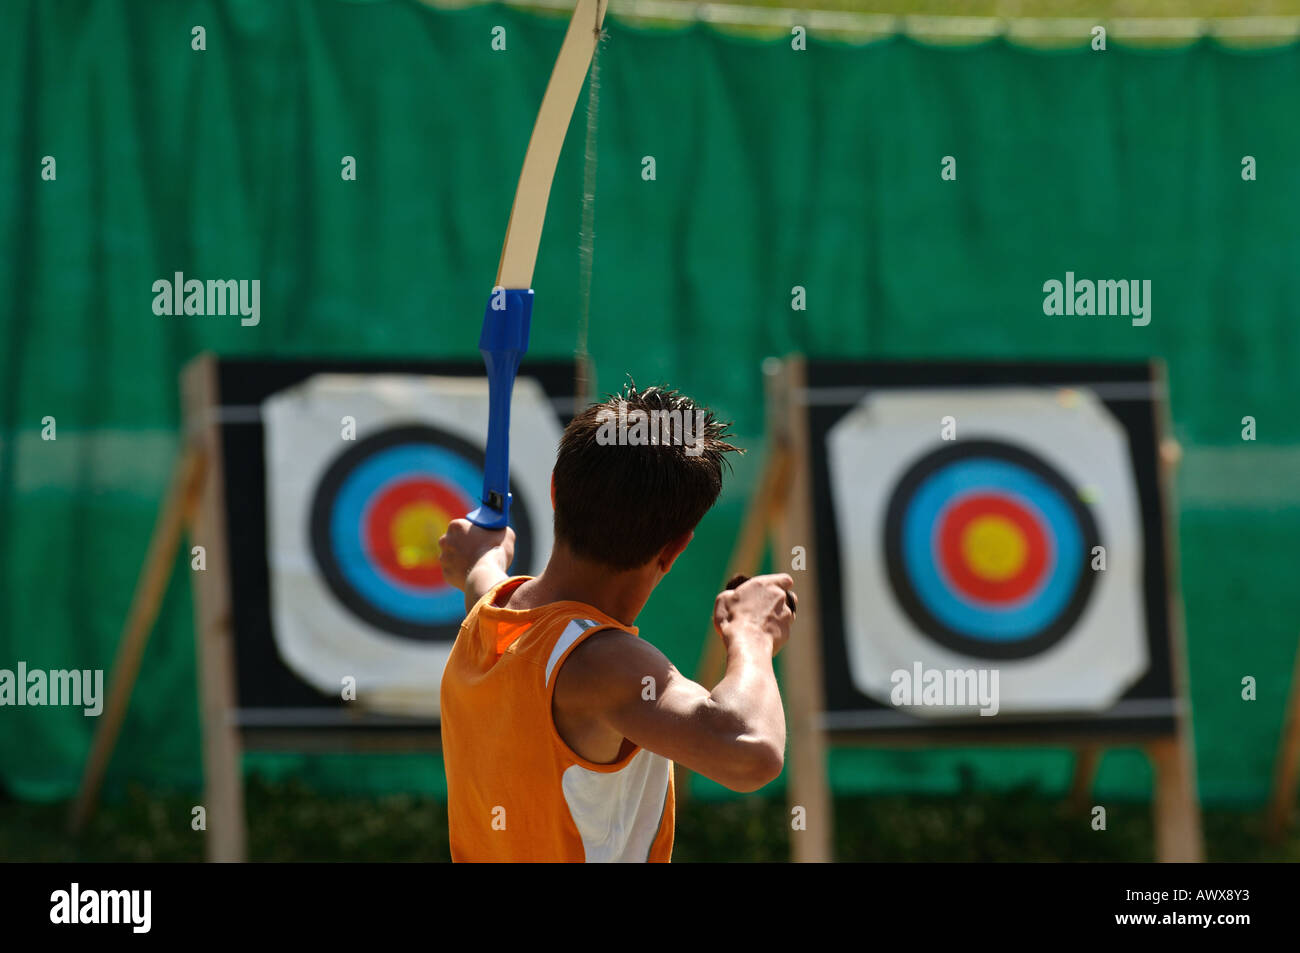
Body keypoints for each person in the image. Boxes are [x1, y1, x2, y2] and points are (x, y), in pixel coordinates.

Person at [438, 381, 797, 862]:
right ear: (676, 547)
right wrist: (751, 634)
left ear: (554, 491)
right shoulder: (604, 666)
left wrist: (482, 559)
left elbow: (478, 574)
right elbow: (751, 751)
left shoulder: (491, 611)